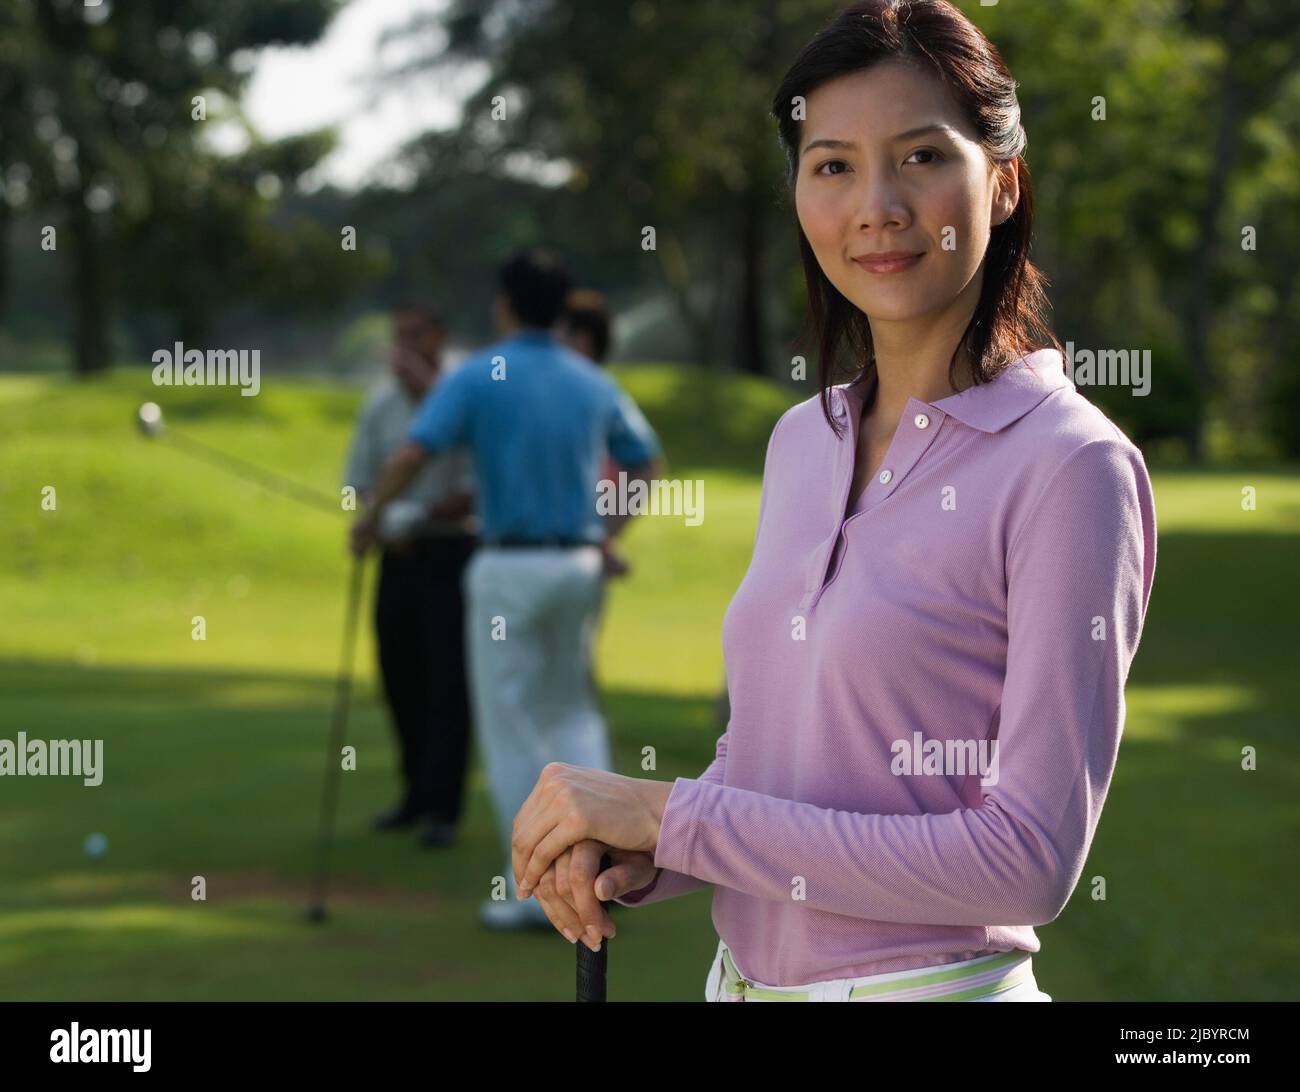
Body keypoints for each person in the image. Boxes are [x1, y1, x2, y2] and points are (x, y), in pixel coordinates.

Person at [507, 0, 1158, 1001]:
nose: (878, 206)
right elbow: (783, 768)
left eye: (922, 156)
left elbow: (1027, 858)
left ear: (1004, 180)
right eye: (833, 165)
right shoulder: (800, 443)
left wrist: (671, 816)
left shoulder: (1071, 467)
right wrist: (650, 855)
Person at [349, 249, 664, 931]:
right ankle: (601, 874)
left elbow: (412, 452)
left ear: (504, 305)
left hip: (508, 568)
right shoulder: (588, 377)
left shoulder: (479, 375)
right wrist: (608, 531)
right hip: (578, 565)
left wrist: (373, 516)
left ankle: (534, 889)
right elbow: (647, 461)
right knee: (572, 712)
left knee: (513, 724)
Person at [343, 301, 478, 850]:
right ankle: (414, 793)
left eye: (415, 335)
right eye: (398, 336)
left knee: (448, 681)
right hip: (398, 560)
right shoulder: (379, 406)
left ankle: (444, 807)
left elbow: (476, 489)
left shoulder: (465, 399)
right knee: (399, 676)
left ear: (438, 337)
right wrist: (374, 516)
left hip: (452, 554)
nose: (403, 347)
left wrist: (420, 512)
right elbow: (356, 481)